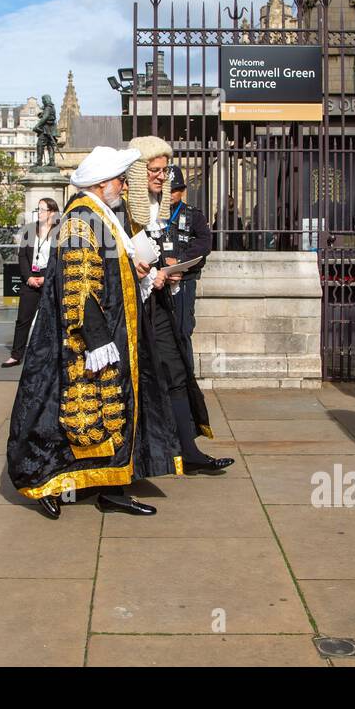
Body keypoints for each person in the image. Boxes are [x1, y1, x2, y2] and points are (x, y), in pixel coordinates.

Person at [7, 145, 183, 520]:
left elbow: (104, 272)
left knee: (105, 413)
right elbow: (79, 286)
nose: (122, 185)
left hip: (108, 333)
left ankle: (110, 487)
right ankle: (43, 481)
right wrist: (97, 342)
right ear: (103, 183)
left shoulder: (98, 215)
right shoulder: (81, 219)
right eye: (119, 179)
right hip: (82, 341)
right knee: (58, 413)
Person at [124, 136, 232, 475]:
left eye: (164, 169)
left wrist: (165, 273)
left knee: (175, 371)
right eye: (154, 170)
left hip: (159, 306)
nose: (161, 176)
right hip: (131, 311)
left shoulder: (163, 209)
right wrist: (146, 276)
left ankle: (188, 451)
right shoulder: (121, 209)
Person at [3, 197, 59, 368]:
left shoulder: (60, 231)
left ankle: (51, 356)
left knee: (52, 319)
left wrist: (47, 277)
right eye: (38, 209)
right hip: (31, 278)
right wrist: (28, 277)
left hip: (49, 278)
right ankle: (16, 355)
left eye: (42, 210)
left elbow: (60, 259)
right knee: (23, 319)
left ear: (52, 212)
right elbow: (22, 256)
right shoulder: (29, 230)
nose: (39, 213)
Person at [165, 164, 212, 361]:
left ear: (182, 191)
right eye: (167, 189)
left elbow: (204, 244)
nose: (170, 194)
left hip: (184, 282)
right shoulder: (151, 215)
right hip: (158, 282)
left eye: (175, 190)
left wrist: (180, 261)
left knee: (182, 331)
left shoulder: (193, 215)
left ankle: (186, 382)